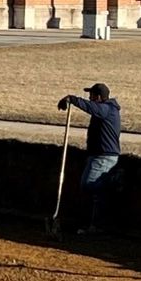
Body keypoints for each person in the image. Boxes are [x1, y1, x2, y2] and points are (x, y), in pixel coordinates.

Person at [56, 81, 122, 234]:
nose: (90, 97)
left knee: (90, 186)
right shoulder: (105, 110)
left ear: (98, 97)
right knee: (91, 188)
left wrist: (72, 99)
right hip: (98, 156)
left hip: (104, 157)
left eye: (91, 95)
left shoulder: (108, 110)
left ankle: (95, 225)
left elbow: (91, 107)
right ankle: (92, 224)